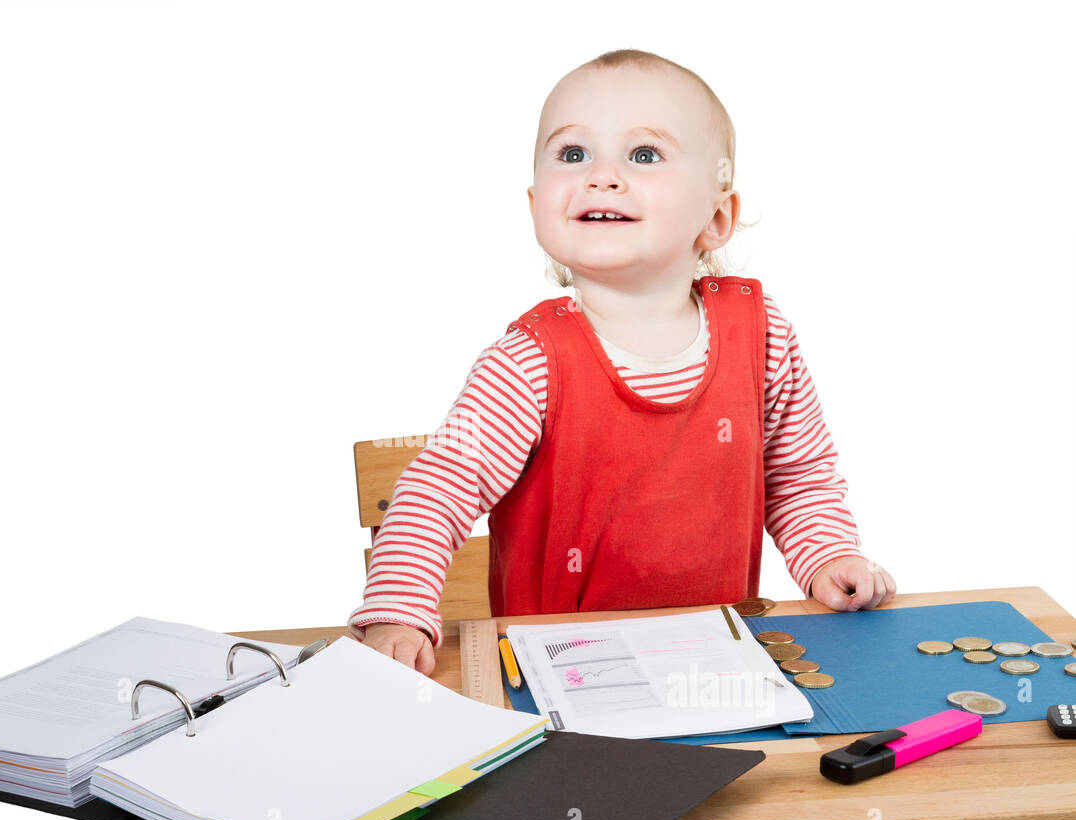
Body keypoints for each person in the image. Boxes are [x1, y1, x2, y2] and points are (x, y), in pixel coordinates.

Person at [347, 49, 897, 676]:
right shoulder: (528, 364)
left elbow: (797, 477)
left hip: (715, 666)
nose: (601, 177)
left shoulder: (762, 335)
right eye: (573, 154)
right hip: (560, 677)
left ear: (717, 217)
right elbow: (437, 489)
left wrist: (828, 557)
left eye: (643, 155)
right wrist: (398, 609)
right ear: (535, 208)